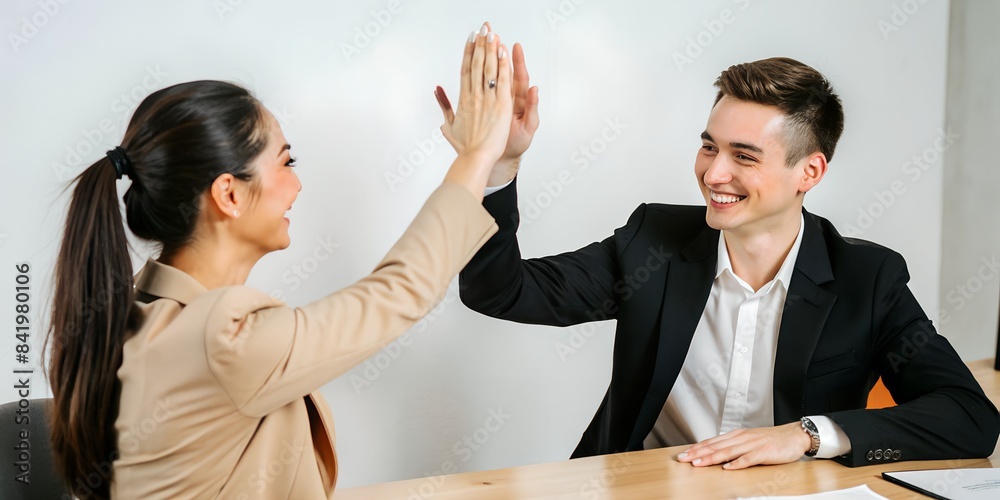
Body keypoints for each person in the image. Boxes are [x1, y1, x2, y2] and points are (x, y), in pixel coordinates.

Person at [450, 56, 1000, 469]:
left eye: (745, 156)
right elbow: (498, 290)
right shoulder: (653, 245)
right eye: (710, 146)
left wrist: (805, 435)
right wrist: (496, 166)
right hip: (646, 486)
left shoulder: (867, 279)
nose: (714, 175)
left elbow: (970, 418)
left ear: (809, 172)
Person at [45, 23, 512, 499]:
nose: (298, 184)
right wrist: (478, 155)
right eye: (286, 162)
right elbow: (396, 294)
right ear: (228, 193)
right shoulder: (217, 336)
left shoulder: (141, 309)